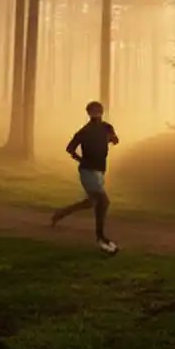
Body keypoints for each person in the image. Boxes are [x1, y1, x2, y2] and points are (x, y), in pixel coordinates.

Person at [51, 100, 120, 254]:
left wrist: (112, 139)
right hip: (87, 171)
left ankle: (60, 214)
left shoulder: (107, 127)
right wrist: (81, 160)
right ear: (88, 113)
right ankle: (100, 237)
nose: (95, 113)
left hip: (100, 171)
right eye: (92, 111)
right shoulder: (84, 131)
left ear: (102, 112)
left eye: (98, 111)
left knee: (91, 202)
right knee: (103, 202)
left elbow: (115, 139)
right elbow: (70, 148)